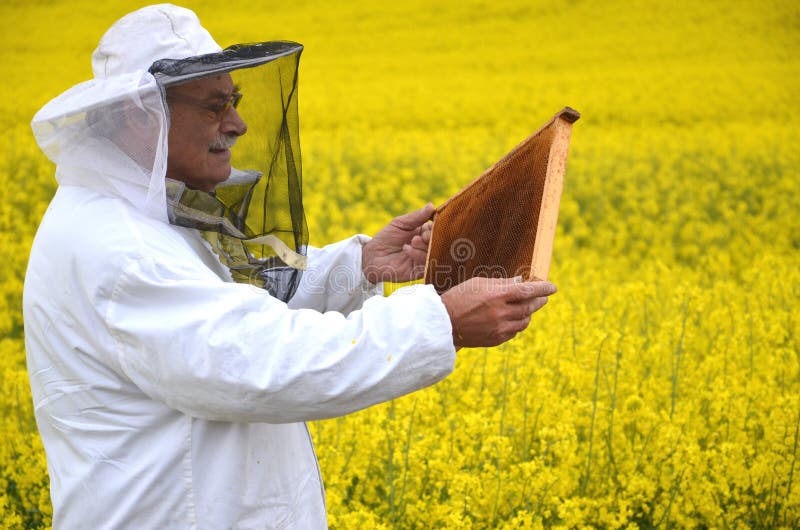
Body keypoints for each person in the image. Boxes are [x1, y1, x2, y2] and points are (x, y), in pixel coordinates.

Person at [23, 4, 556, 528]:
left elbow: (240, 306)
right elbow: (257, 363)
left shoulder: (140, 218)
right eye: (213, 107)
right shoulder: (121, 250)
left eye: (232, 101)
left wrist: (362, 266)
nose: (237, 124)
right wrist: (441, 322)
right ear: (143, 118)